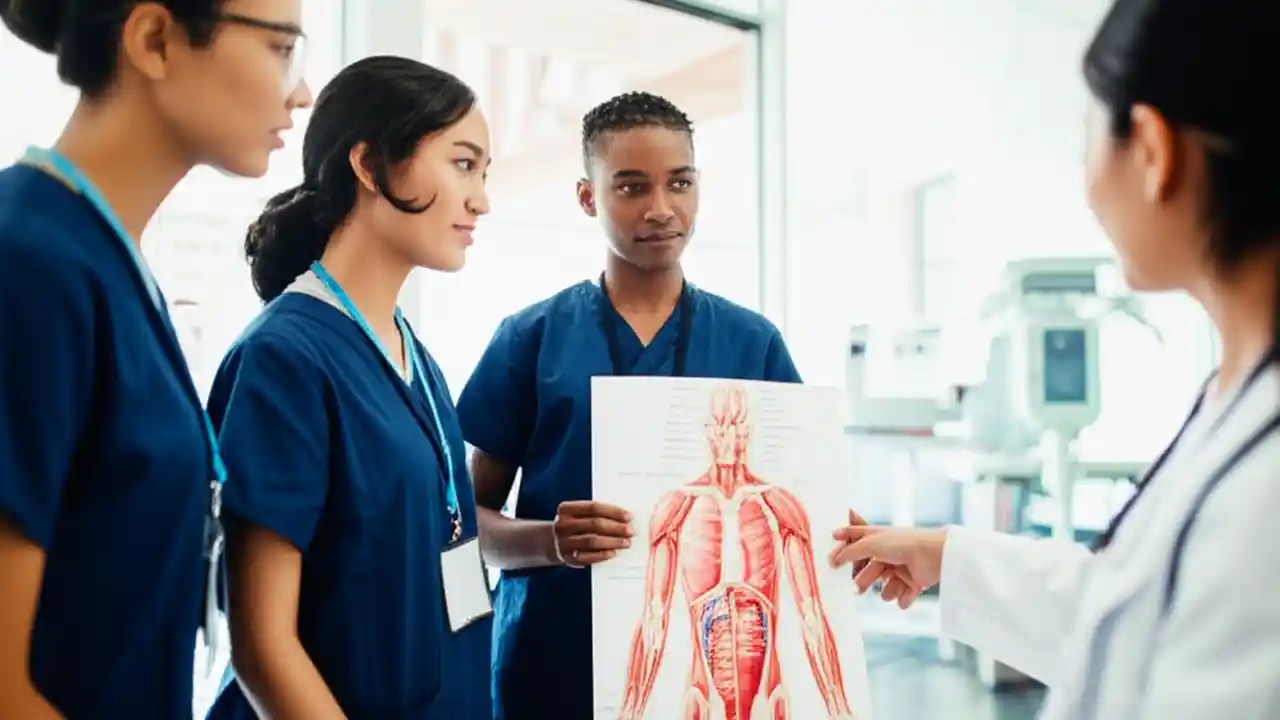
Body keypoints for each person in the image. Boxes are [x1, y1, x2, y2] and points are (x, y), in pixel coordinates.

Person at [829, 1, 1280, 717]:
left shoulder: (1265, 487)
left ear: (1155, 152)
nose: (1089, 184)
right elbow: (1139, 613)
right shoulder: (1238, 396)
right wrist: (948, 556)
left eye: (1087, 142)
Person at [0, 1, 311, 717]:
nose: (302, 91)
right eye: (282, 49)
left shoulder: (111, 261)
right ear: (155, 38)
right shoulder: (31, 265)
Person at [455, 90, 803, 719]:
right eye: (632, 187)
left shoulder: (754, 344)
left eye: (680, 183)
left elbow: (800, 504)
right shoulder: (531, 339)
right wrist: (549, 541)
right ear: (589, 198)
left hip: (705, 667)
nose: (661, 209)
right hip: (551, 658)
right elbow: (464, 524)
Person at [203, 55, 492, 720]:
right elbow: (261, 641)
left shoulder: (412, 355)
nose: (481, 198)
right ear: (370, 166)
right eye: (463, 163)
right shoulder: (286, 357)